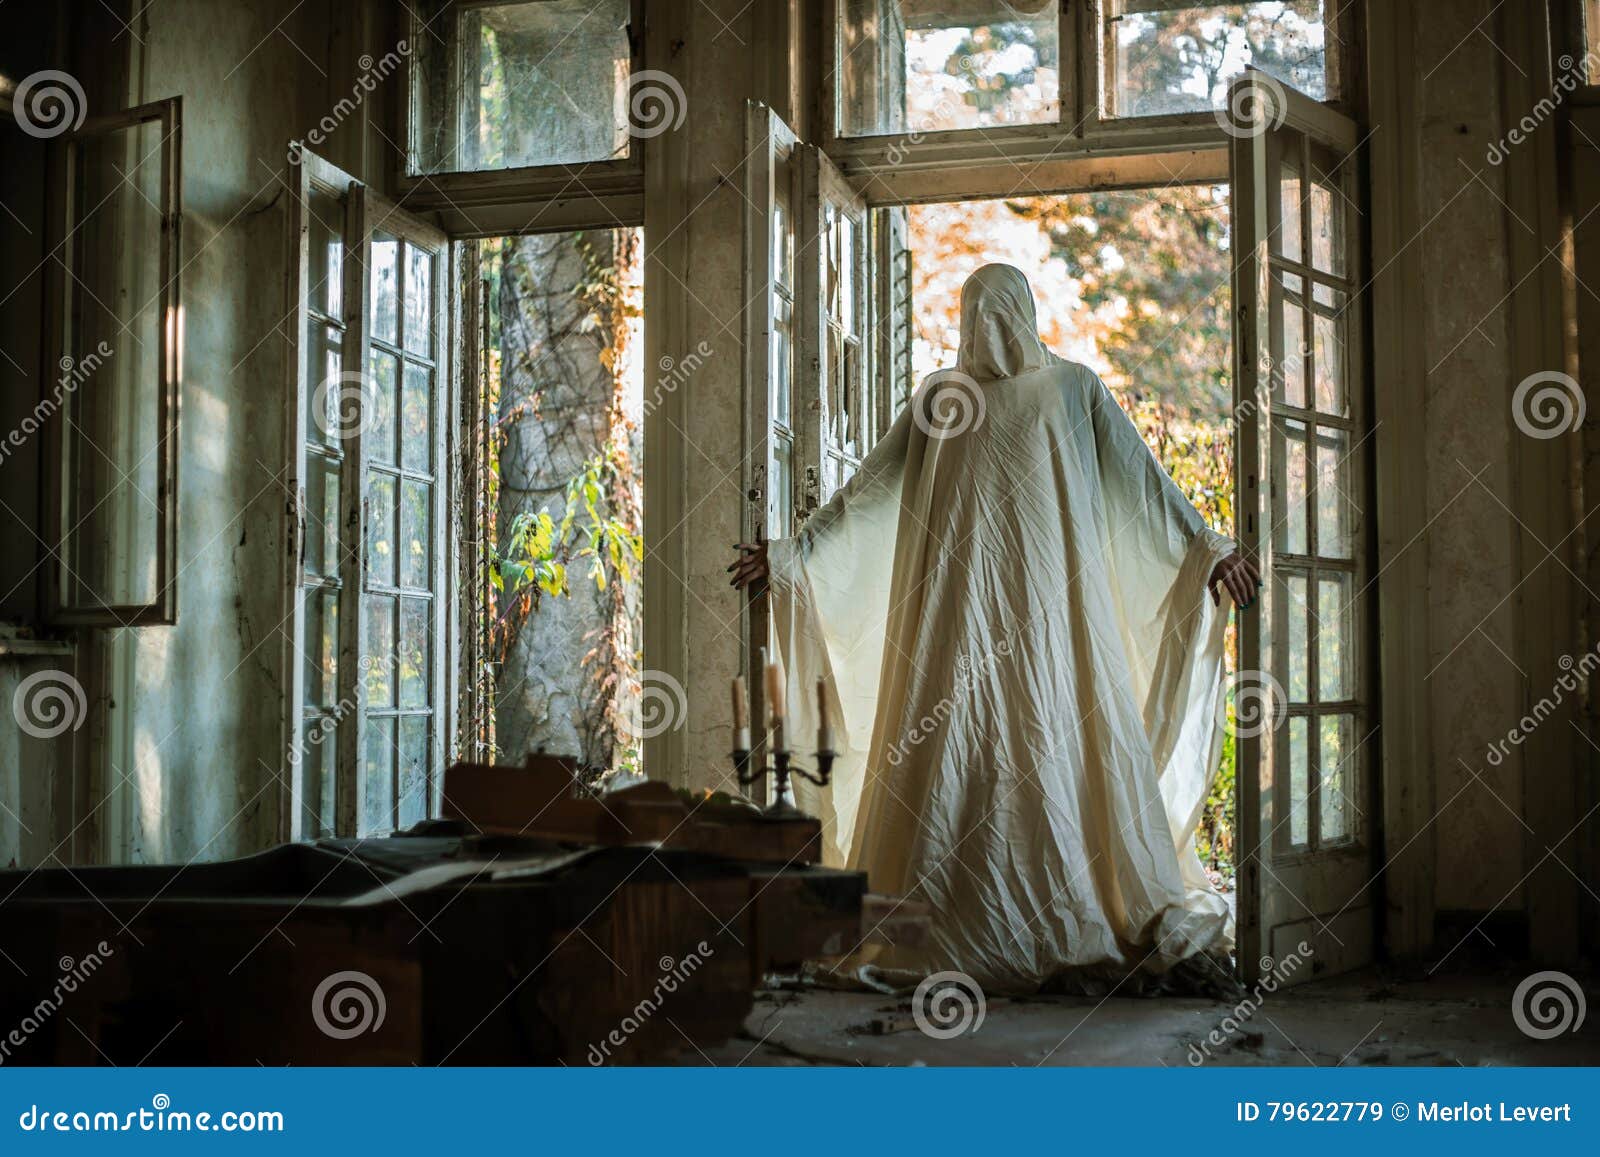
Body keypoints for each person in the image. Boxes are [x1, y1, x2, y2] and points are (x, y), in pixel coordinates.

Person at [729, 263, 1260, 994]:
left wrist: (1208, 546)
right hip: (955, 619)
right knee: (952, 750)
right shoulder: (939, 400)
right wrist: (795, 553)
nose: (987, 325)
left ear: (1026, 311)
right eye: (974, 310)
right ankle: (941, 917)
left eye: (998, 308)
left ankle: (1072, 904)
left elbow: (1140, 479)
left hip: (1055, 620)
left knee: (1058, 739)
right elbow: (870, 489)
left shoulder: (1074, 389)